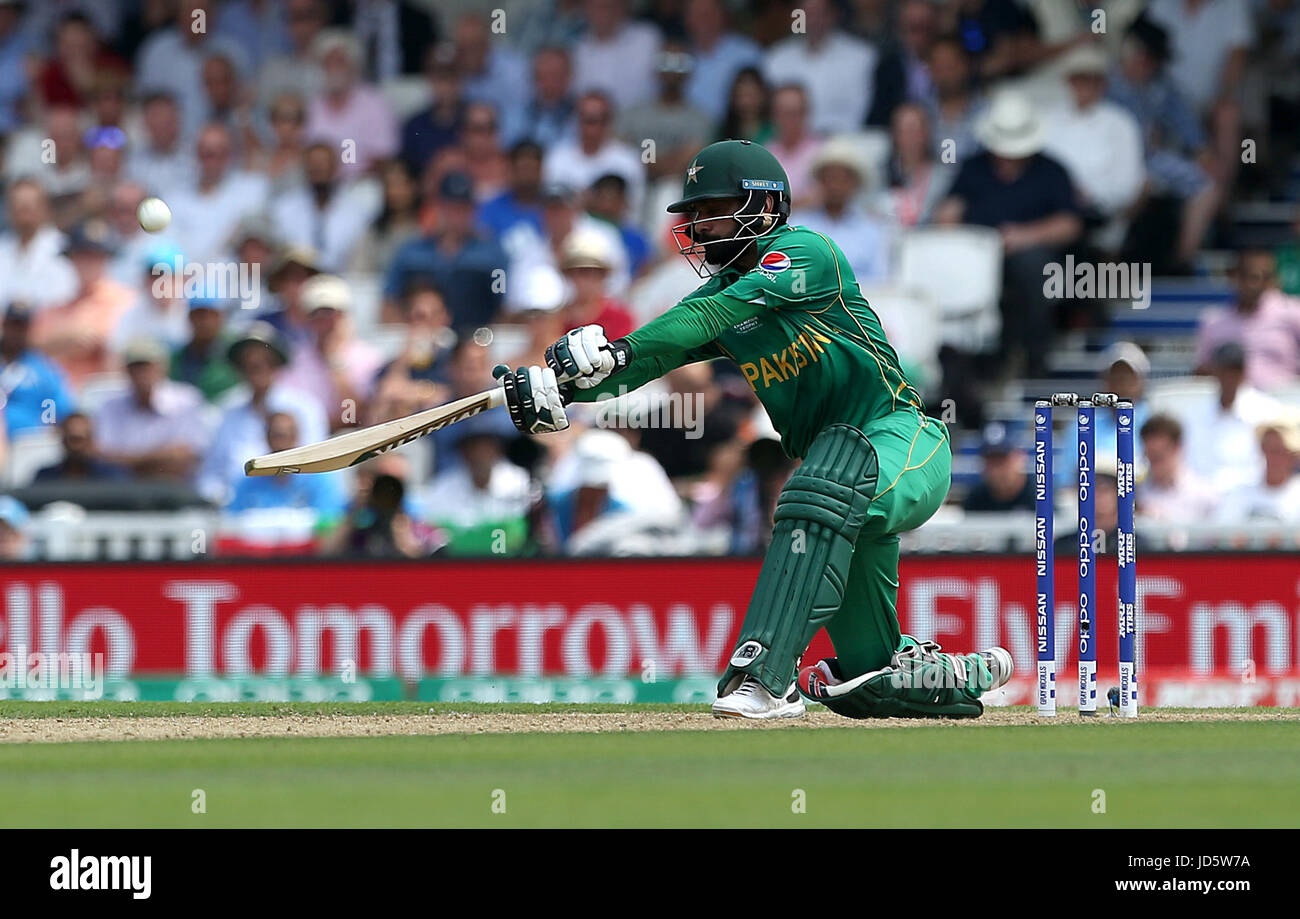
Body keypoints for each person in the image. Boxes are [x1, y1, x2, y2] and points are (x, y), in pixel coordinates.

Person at [492, 139, 1011, 720]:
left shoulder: (806, 252)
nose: (701, 227)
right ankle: (930, 671)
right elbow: (644, 364)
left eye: (713, 210)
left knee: (815, 489)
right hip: (833, 481)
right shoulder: (723, 297)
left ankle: (764, 678)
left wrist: (620, 350)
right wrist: (557, 388)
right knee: (869, 674)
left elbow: (703, 318)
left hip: (902, 439)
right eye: (696, 215)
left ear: (763, 207)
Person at [1195, 249, 1300, 391]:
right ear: (1234, 277)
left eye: (1262, 277)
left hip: (1285, 403)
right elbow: (1202, 371)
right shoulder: (1213, 321)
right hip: (1233, 405)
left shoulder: (1293, 312)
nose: (1254, 284)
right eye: (1249, 277)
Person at [1136, 414, 1216, 523]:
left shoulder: (1204, 495)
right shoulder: (1138, 493)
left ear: (1178, 448)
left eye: (1160, 456)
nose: (1154, 463)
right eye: (1149, 455)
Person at [1219, 418, 1300, 524]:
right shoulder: (1239, 493)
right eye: (1269, 449)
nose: (1275, 457)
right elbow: (1223, 533)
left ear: (1293, 456)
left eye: (1281, 451)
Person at [962, 422, 1034, 513]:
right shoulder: (975, 498)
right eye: (991, 460)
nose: (996, 469)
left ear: (1019, 457)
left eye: (1002, 459)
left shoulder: (1039, 494)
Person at [33, 412, 128, 482]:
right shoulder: (45, 477)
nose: (76, 447)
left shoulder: (112, 477)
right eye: (72, 439)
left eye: (81, 439)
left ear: (92, 439)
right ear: (63, 440)